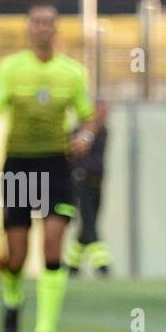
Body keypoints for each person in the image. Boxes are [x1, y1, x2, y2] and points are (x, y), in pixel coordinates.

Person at [0, 4, 102, 332]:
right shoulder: (10, 69)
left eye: (48, 22)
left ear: (55, 29)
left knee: (52, 245)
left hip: (56, 167)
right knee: (16, 255)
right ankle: (12, 299)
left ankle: (46, 331)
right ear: (28, 28)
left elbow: (89, 116)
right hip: (19, 165)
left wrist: (86, 136)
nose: (42, 28)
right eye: (36, 22)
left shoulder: (73, 72)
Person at [64, 100, 111, 278]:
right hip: (80, 181)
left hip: (97, 182)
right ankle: (103, 264)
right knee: (89, 221)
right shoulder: (77, 131)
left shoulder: (103, 131)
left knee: (87, 226)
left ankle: (72, 264)